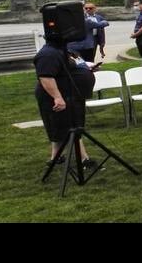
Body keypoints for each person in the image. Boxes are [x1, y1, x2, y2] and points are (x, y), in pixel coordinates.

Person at [34, 35, 98, 172]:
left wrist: (87, 68)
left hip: (72, 95)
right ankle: (84, 159)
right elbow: (45, 77)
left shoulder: (65, 50)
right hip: (58, 97)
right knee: (70, 128)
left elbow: (70, 68)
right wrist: (57, 97)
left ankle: (56, 157)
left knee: (61, 127)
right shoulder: (48, 54)